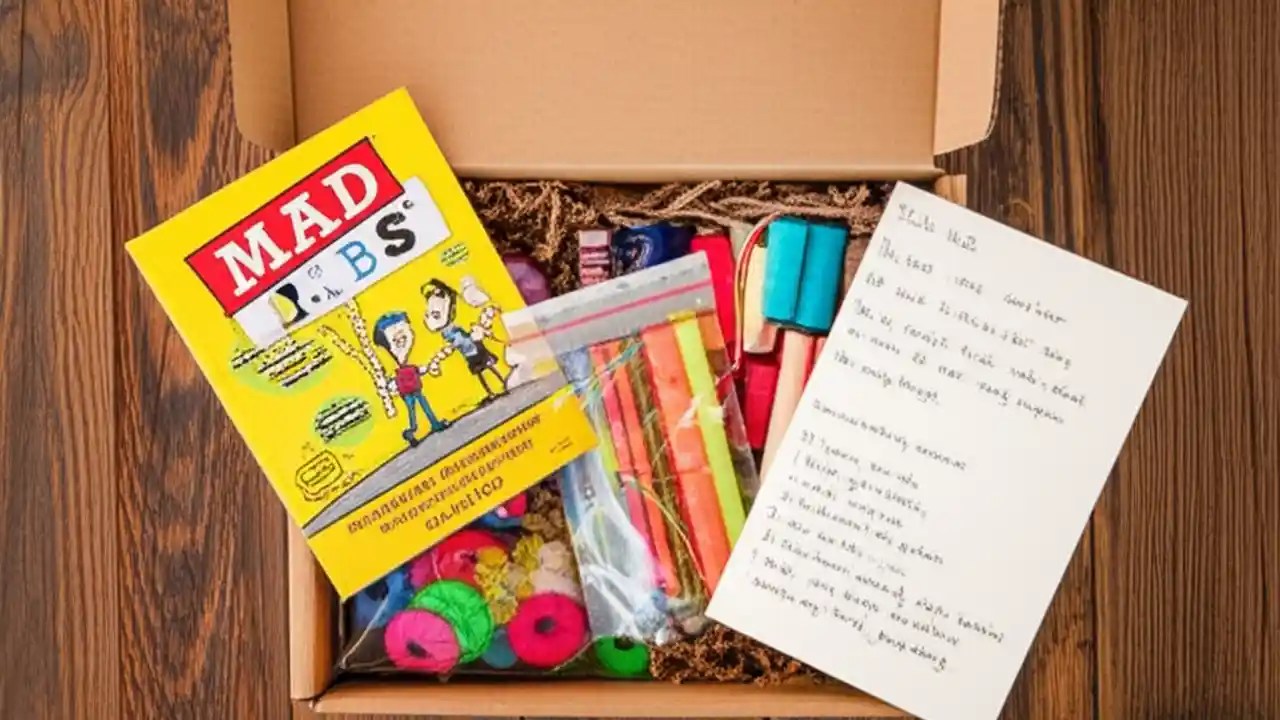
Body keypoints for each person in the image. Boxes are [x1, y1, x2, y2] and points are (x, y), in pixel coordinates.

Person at [421, 279, 507, 400]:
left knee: (489, 366)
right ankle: (491, 391)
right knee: (480, 372)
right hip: (468, 352)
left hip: (474, 345)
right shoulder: (440, 319)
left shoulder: (453, 306)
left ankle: (503, 383)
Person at [372, 311, 446, 446]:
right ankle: (412, 431)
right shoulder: (393, 365)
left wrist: (426, 368)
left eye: (402, 334)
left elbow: (419, 370)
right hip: (408, 392)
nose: (400, 339)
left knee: (423, 407)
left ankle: (432, 424)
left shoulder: (406, 362)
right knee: (414, 411)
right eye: (395, 339)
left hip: (414, 389)